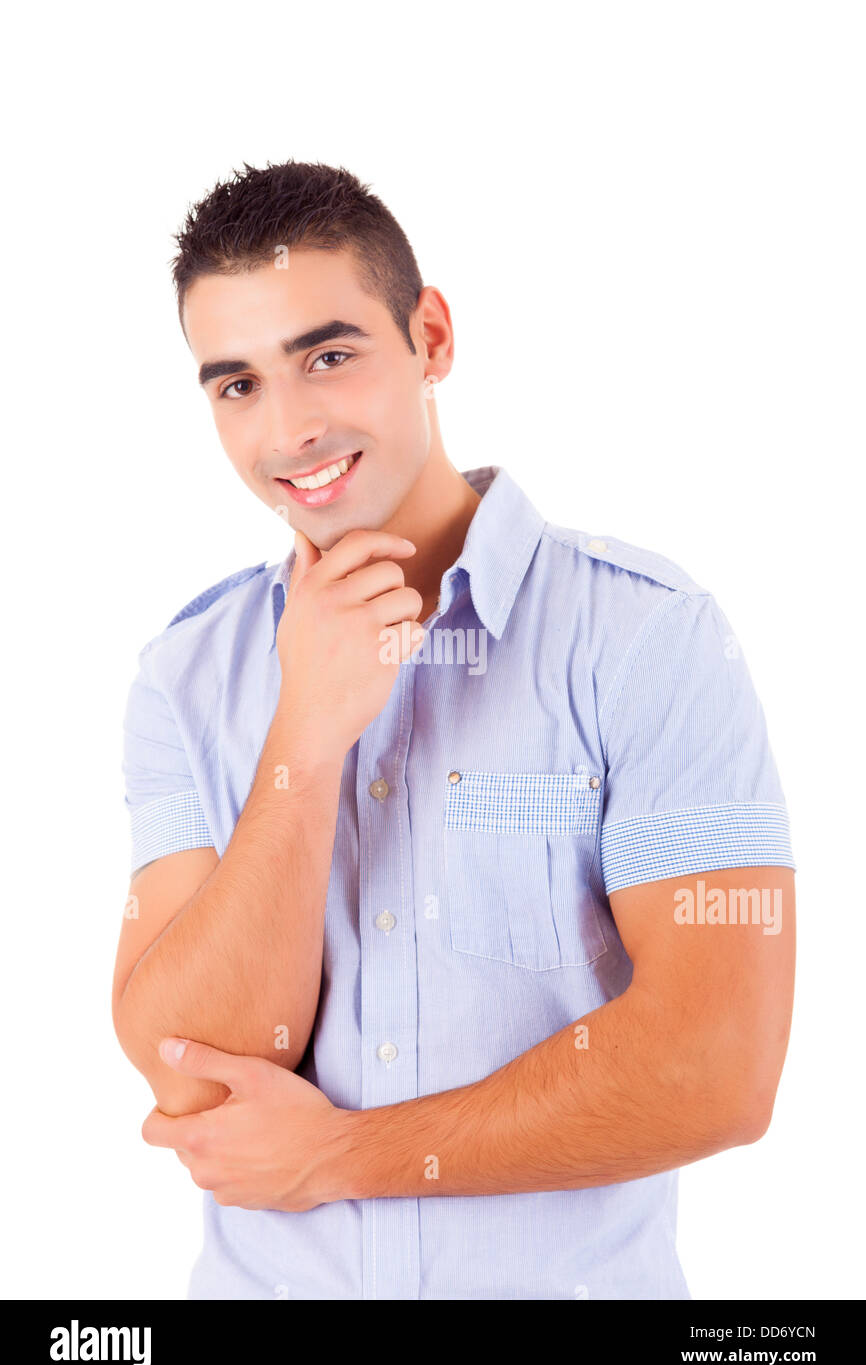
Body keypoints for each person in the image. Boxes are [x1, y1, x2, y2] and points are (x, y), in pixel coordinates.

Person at [113, 159, 796, 1300]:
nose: (288, 429)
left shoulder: (646, 639)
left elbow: (716, 1066)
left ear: (429, 337)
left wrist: (339, 1154)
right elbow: (193, 1074)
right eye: (235, 385)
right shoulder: (186, 678)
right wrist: (305, 735)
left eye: (328, 356)